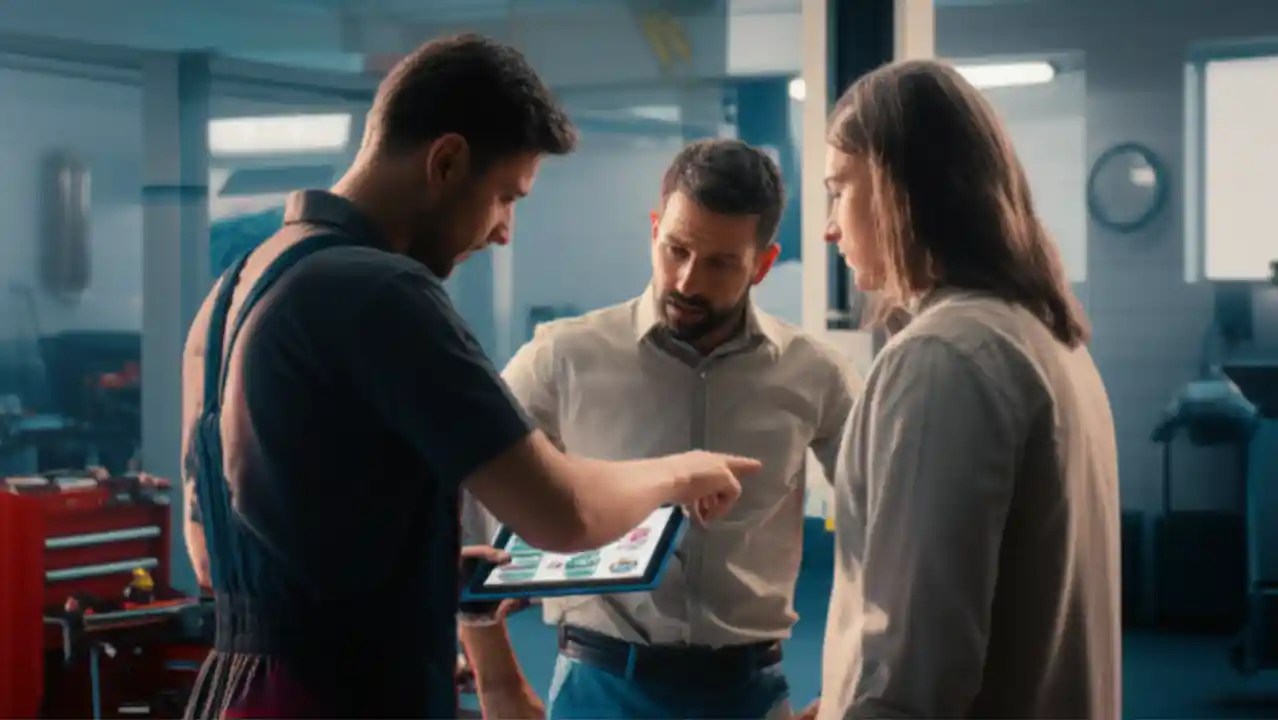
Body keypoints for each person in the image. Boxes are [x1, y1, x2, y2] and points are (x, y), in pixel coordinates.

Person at [179, 34, 756, 720]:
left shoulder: (232, 293)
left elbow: (220, 555)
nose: (504, 230)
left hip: (236, 692)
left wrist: (415, 576)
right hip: (341, 696)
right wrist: (682, 472)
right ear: (447, 162)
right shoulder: (381, 291)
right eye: (506, 197)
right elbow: (562, 511)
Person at [459, 139, 861, 719]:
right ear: (655, 229)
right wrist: (496, 681)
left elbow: (887, 528)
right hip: (599, 688)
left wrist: (851, 689)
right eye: (676, 249)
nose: (687, 281)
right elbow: (461, 486)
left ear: (763, 263)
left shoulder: (815, 374)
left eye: (721, 262)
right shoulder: (564, 356)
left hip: (749, 694)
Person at [811, 59, 1121, 720]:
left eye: (839, 189)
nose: (830, 226)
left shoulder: (940, 358)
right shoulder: (1047, 338)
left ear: (898, 185)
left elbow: (917, 675)